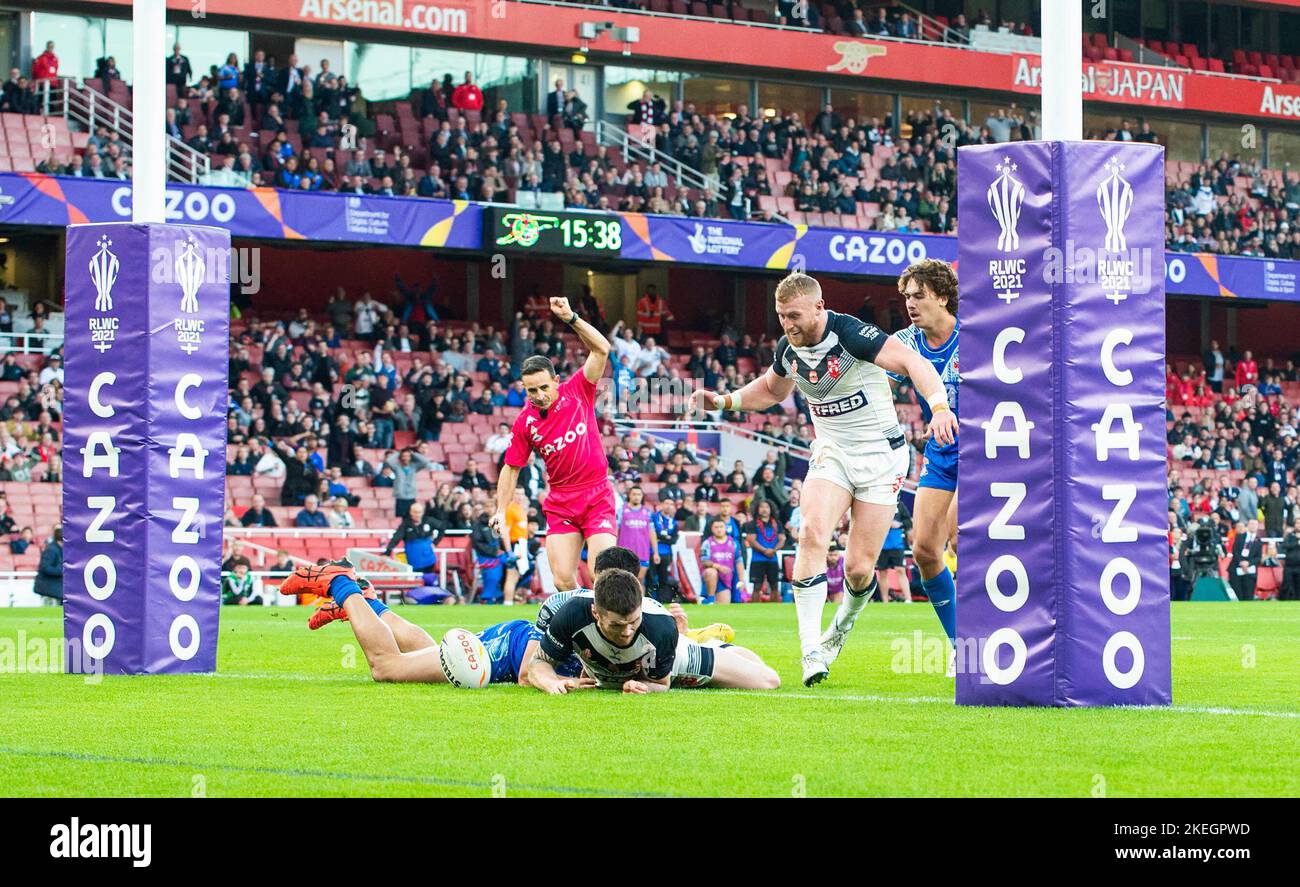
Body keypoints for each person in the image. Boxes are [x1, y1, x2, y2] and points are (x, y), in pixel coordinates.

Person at [690, 271, 955, 686]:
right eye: (781, 317)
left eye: (794, 315)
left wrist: (938, 407)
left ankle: (840, 629)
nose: (787, 324)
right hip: (832, 454)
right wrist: (725, 400)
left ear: (818, 307)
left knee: (859, 569)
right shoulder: (788, 347)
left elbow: (911, 362)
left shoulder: (851, 333)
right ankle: (811, 650)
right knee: (811, 532)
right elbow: (773, 389)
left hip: (881, 459)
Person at [492, 297, 614, 591]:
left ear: (556, 381)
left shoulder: (579, 390)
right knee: (562, 581)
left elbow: (602, 349)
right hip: (561, 502)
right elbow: (511, 469)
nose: (539, 394)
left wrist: (571, 317)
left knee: (603, 575)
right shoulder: (525, 422)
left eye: (544, 387)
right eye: (532, 390)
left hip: (597, 494)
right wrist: (499, 509)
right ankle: (580, 632)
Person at [888, 260, 959, 665]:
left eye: (920, 296)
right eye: (907, 297)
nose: (911, 304)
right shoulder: (905, 342)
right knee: (925, 550)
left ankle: (990, 636)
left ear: (943, 297)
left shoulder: (978, 337)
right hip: (940, 454)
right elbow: (879, 384)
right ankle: (959, 644)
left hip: (985, 451)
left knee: (962, 537)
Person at [383, 501, 443, 577]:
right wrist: (387, 552)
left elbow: (442, 527)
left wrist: (435, 542)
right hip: (413, 557)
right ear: (411, 512)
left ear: (423, 512)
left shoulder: (428, 520)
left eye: (419, 512)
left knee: (429, 580)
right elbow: (396, 538)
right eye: (415, 512)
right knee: (416, 579)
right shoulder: (405, 524)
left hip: (428, 558)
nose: (417, 514)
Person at [616, 485, 658, 583]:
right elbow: (616, 530)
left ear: (642, 496)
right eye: (634, 494)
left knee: (639, 580)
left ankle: (639, 598)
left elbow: (652, 533)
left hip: (642, 552)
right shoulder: (621, 510)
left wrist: (656, 552)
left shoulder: (647, 512)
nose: (636, 497)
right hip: (624, 552)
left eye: (639, 494)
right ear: (629, 496)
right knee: (623, 581)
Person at [746, 500, 785, 603]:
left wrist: (774, 550)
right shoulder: (752, 524)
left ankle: (774, 610)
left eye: (767, 507)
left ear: (771, 509)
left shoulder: (777, 524)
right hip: (757, 559)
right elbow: (751, 540)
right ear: (757, 509)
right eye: (761, 507)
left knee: (775, 585)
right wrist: (765, 551)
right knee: (757, 586)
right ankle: (754, 611)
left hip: (773, 559)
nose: (764, 509)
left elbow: (782, 539)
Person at [699, 517, 741, 604]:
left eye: (721, 527)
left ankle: (704, 601)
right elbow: (704, 561)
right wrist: (718, 567)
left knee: (723, 604)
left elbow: (739, 561)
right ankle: (710, 598)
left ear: (725, 528)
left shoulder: (733, 543)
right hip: (712, 577)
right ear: (712, 529)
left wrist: (742, 580)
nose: (719, 529)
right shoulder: (707, 543)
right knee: (711, 572)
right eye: (716, 527)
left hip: (726, 577)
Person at [877, 501, 912, 603]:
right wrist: (886, 523)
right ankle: (885, 601)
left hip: (897, 544)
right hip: (881, 544)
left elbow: (908, 522)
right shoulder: (879, 503)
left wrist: (899, 524)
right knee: (882, 572)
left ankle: (908, 599)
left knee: (900, 570)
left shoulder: (900, 505)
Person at [648, 497, 679, 602]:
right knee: (651, 578)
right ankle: (650, 600)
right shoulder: (654, 517)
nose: (668, 506)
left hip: (667, 553)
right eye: (666, 503)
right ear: (661, 504)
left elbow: (674, 540)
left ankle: (661, 601)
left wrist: (660, 538)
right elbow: (651, 534)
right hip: (652, 551)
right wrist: (666, 537)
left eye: (671, 504)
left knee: (664, 578)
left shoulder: (674, 522)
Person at [1229, 519, 1262, 601]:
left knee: (1248, 595)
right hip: (1236, 568)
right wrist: (1241, 562)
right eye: (1251, 524)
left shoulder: (1259, 541)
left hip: (1250, 571)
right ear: (1248, 525)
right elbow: (1235, 551)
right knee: (1237, 594)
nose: (1253, 526)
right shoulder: (1240, 537)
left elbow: (1258, 557)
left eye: (1255, 524)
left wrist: (1248, 563)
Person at [33, 527, 62, 603]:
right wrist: (62, 571)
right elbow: (45, 568)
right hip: (48, 589)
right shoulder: (51, 550)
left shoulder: (58, 549)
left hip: (53, 588)